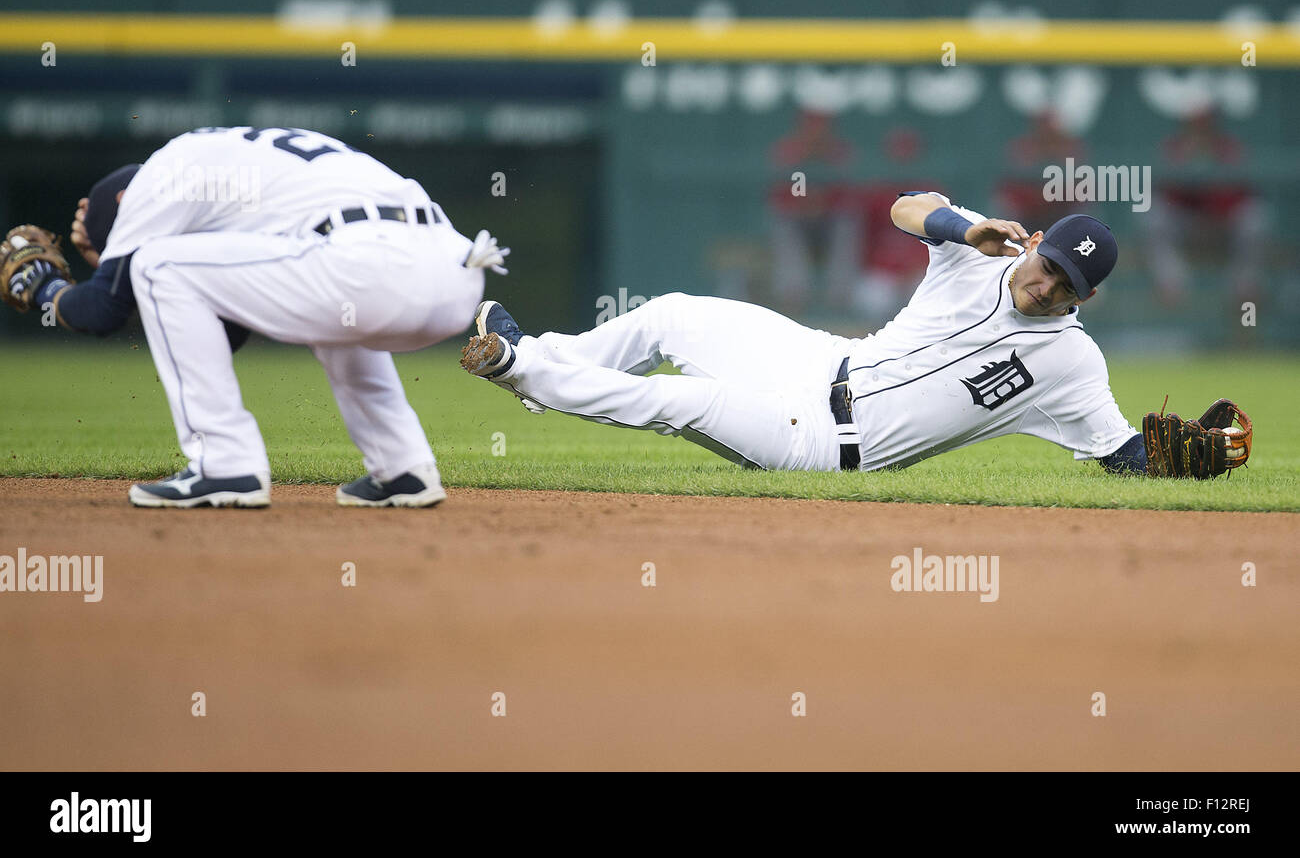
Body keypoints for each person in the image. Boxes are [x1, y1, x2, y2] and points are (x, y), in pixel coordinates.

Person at [458, 191, 1214, 476]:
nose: (1044, 285)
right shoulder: (986, 250)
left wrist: (1195, 462)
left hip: (821, 444)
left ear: (1086, 299)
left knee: (677, 400)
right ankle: (544, 361)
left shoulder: (1072, 363)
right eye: (1048, 265)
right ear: (1039, 241)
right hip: (821, 357)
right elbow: (906, 207)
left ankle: (518, 368)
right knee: (672, 313)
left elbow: (1120, 454)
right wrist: (966, 225)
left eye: (1065, 288)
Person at [3, 126, 508, 507]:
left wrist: (47, 290)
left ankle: (225, 463)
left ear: (121, 204)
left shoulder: (159, 174)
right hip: (455, 267)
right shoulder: (231, 163)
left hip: (370, 264)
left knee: (157, 266)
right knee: (333, 313)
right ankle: (403, 468)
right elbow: (226, 328)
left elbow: (101, 311)